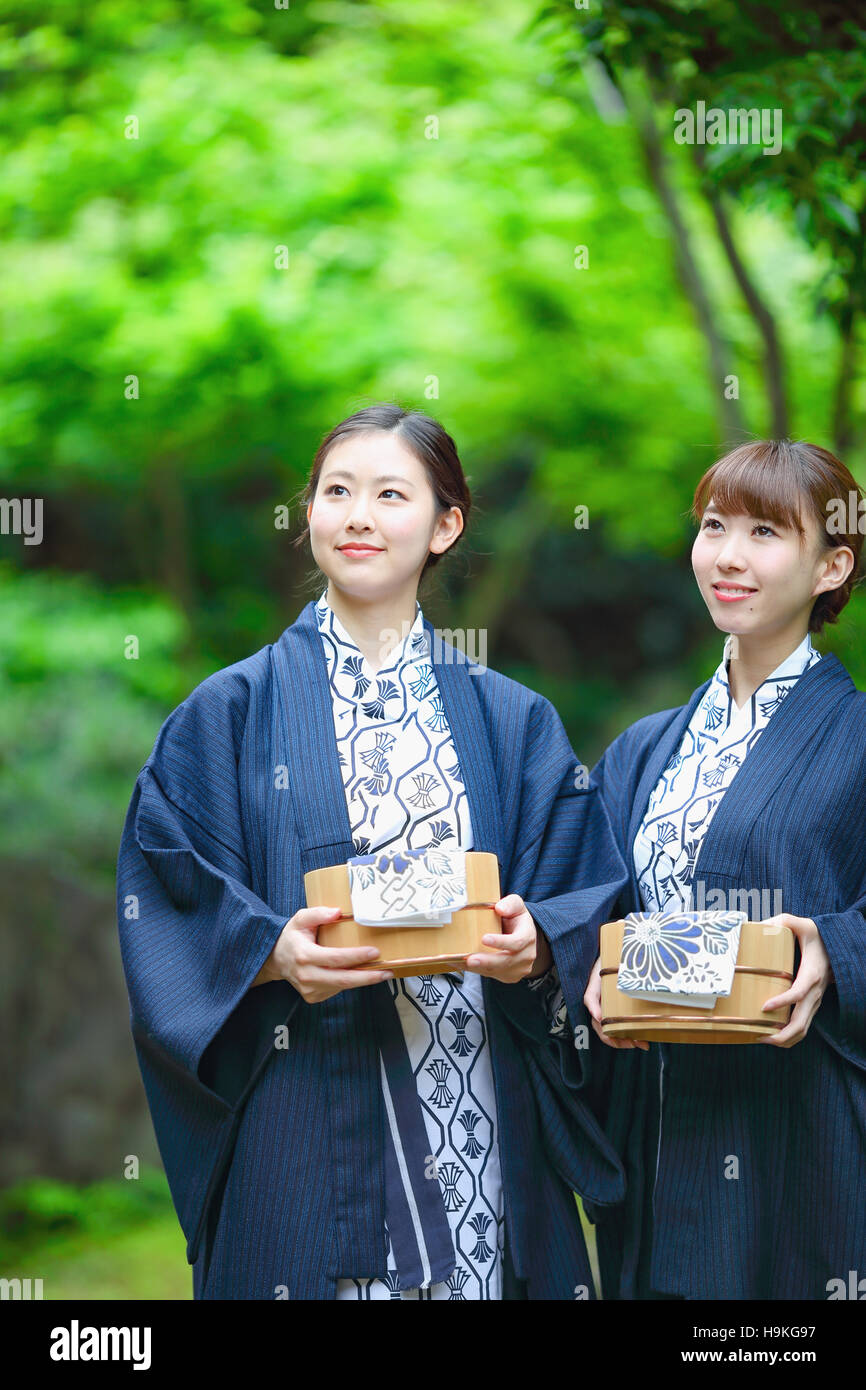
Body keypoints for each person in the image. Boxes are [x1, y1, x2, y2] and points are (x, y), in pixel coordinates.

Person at [116, 402, 628, 1301]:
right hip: (306, 1118)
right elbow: (166, 894)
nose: (357, 515)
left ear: (446, 525)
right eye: (336, 491)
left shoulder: (511, 721)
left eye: (391, 494)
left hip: (478, 1111)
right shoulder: (228, 716)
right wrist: (270, 953)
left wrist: (538, 942)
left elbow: (589, 898)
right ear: (308, 513)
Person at [574, 438, 866, 1300]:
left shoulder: (856, 738)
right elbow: (589, 900)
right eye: (713, 527)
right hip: (661, 1123)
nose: (728, 557)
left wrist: (836, 947)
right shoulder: (643, 748)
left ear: (831, 565)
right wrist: (587, 962)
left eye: (766, 533)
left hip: (803, 1134)